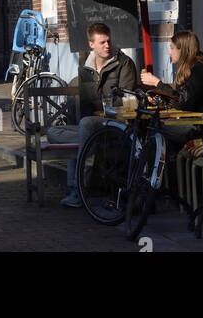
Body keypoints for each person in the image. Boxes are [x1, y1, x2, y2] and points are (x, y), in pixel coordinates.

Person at [46, 21, 138, 208]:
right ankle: (86, 146)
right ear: (91, 45)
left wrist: (108, 105)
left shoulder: (124, 63)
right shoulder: (85, 68)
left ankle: (77, 190)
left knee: (86, 125)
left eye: (109, 41)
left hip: (115, 121)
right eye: (102, 42)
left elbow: (128, 98)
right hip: (91, 123)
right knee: (53, 132)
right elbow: (82, 102)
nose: (107, 45)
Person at [140, 29, 203, 151]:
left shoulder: (200, 70)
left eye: (172, 48)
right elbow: (182, 100)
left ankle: (167, 168)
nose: (169, 52)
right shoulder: (190, 70)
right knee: (152, 126)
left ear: (183, 50)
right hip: (196, 121)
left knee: (155, 129)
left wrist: (157, 83)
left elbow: (182, 102)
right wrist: (160, 100)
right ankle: (170, 166)